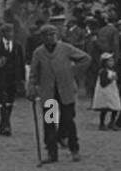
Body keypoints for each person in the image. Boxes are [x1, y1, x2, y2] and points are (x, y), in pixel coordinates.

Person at [28, 24, 91, 163]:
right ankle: (52, 153)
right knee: (50, 122)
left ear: (56, 35)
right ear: (42, 38)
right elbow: (33, 72)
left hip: (66, 92)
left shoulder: (66, 48)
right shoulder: (38, 52)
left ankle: (74, 149)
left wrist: (73, 72)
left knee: (68, 120)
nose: (50, 38)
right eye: (47, 36)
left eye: (52, 35)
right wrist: (31, 87)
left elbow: (86, 59)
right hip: (48, 93)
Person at [0, 22, 27, 137]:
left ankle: (3, 123)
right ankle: (6, 126)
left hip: (13, 79)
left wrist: (22, 79)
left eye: (11, 32)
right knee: (3, 102)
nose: (10, 34)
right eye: (8, 32)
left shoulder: (17, 46)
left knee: (10, 102)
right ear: (3, 33)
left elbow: (21, 63)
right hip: (1, 79)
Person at [92, 53, 121, 130]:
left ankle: (112, 122)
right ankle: (102, 123)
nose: (111, 63)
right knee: (104, 108)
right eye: (109, 61)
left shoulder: (113, 71)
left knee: (115, 107)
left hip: (112, 91)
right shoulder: (103, 71)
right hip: (105, 92)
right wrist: (111, 79)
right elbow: (103, 83)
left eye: (112, 61)